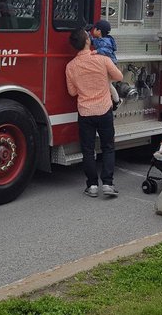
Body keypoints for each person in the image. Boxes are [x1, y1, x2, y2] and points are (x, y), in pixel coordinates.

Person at [65, 27, 123, 198]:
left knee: (88, 150)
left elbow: (72, 92)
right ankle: (107, 184)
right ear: (88, 41)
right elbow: (119, 76)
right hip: (104, 109)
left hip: (85, 112)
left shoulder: (71, 66)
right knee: (108, 147)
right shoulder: (102, 60)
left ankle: (92, 186)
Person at [89, 19, 121, 110]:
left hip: (111, 65)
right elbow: (92, 41)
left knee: (108, 84)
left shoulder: (106, 41)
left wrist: (97, 51)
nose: (93, 30)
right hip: (106, 65)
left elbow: (107, 50)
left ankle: (117, 101)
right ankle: (113, 100)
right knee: (106, 84)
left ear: (99, 31)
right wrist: (87, 34)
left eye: (94, 29)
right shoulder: (100, 39)